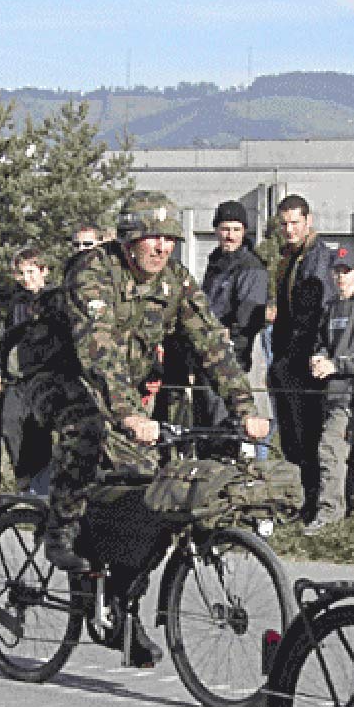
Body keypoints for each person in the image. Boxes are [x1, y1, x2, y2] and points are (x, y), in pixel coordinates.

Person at [21, 191, 271, 660]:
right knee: (87, 429)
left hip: (122, 396)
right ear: (130, 240)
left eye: (170, 240)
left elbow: (212, 343)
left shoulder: (175, 281)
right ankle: (63, 527)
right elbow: (98, 351)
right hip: (57, 377)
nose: (162, 248)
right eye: (151, 238)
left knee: (153, 495)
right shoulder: (93, 273)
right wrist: (127, 413)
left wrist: (244, 407)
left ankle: (120, 609)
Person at [265, 194, 336, 524]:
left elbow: (313, 313)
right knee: (292, 437)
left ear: (308, 222)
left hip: (304, 361)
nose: (289, 229)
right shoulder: (289, 256)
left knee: (308, 437)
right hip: (287, 358)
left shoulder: (316, 258)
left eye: (295, 222)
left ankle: (312, 503)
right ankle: (299, 500)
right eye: (284, 223)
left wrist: (296, 358)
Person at [305, 255, 354, 532]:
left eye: (346, 272)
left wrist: (336, 365)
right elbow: (322, 341)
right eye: (337, 271)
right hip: (330, 392)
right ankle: (350, 503)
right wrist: (318, 358)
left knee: (331, 449)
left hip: (353, 392)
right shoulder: (331, 307)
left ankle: (329, 513)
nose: (341, 277)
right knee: (344, 452)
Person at [0, 244, 54, 493]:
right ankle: (23, 479)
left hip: (45, 376)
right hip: (18, 376)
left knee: (39, 430)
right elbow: (4, 340)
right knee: (10, 425)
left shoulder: (55, 300)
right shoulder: (17, 303)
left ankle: (39, 484)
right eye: (22, 274)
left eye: (32, 272)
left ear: (44, 271)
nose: (27, 279)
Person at [201, 200, 269, 374]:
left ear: (244, 231)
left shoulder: (251, 267)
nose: (230, 235)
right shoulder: (215, 264)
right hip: (206, 353)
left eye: (236, 230)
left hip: (231, 360)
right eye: (225, 229)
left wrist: (229, 352)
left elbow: (248, 322)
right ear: (216, 230)